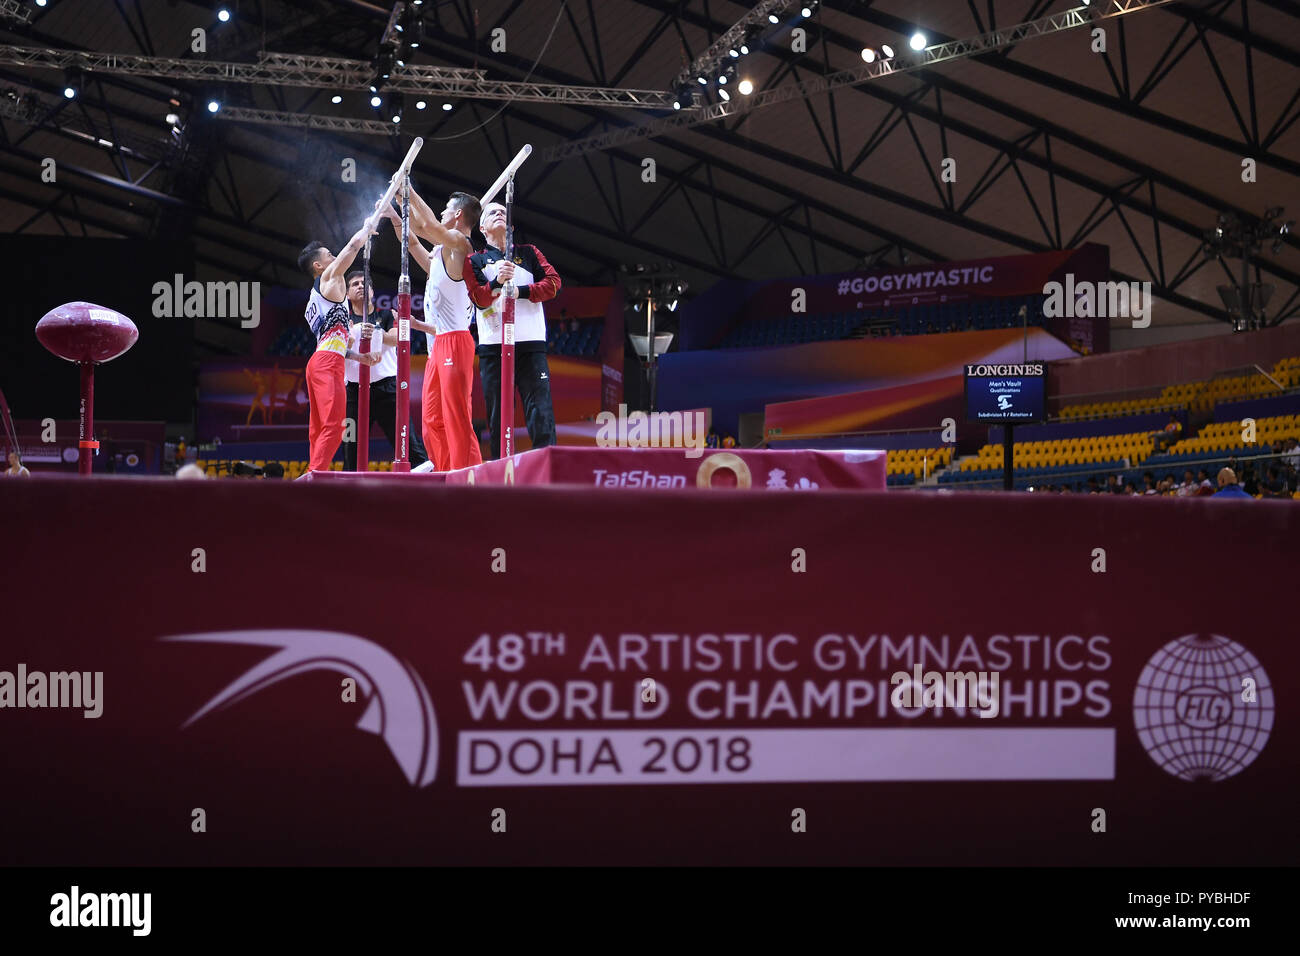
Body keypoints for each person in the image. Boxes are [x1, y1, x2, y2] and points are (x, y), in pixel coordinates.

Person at [393, 189, 485, 471]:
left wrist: (408, 189)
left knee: (456, 415)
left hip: (456, 341)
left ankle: (466, 474)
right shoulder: (439, 256)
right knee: (432, 418)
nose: (442, 211)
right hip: (437, 344)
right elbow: (414, 236)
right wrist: (397, 209)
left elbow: (430, 226)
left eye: (446, 208)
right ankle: (444, 470)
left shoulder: (460, 244)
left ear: (458, 214)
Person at [466, 202, 562, 458]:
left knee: (539, 407)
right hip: (493, 346)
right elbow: (478, 298)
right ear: (482, 227)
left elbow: (553, 284)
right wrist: (497, 283)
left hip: (530, 344)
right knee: (499, 412)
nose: (498, 214)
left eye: (503, 212)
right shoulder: (475, 260)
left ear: (510, 226)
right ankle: (502, 465)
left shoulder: (529, 253)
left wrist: (520, 292)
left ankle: (546, 460)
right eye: (491, 213)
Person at [297, 223, 384, 473]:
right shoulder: (328, 278)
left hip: (319, 361)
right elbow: (351, 248)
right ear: (319, 266)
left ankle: (313, 474)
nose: (334, 258)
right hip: (328, 364)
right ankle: (315, 477)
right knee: (335, 427)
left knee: (318, 429)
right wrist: (366, 230)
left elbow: (333, 343)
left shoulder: (314, 300)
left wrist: (359, 356)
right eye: (329, 256)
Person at [341, 269, 430, 471]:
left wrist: (374, 332)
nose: (361, 286)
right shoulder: (343, 320)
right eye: (355, 284)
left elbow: (399, 338)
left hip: (387, 390)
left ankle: (424, 480)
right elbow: (338, 347)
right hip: (354, 393)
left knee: (407, 443)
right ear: (346, 294)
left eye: (365, 283)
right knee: (350, 448)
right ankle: (349, 491)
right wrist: (354, 333)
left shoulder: (387, 314)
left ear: (372, 291)